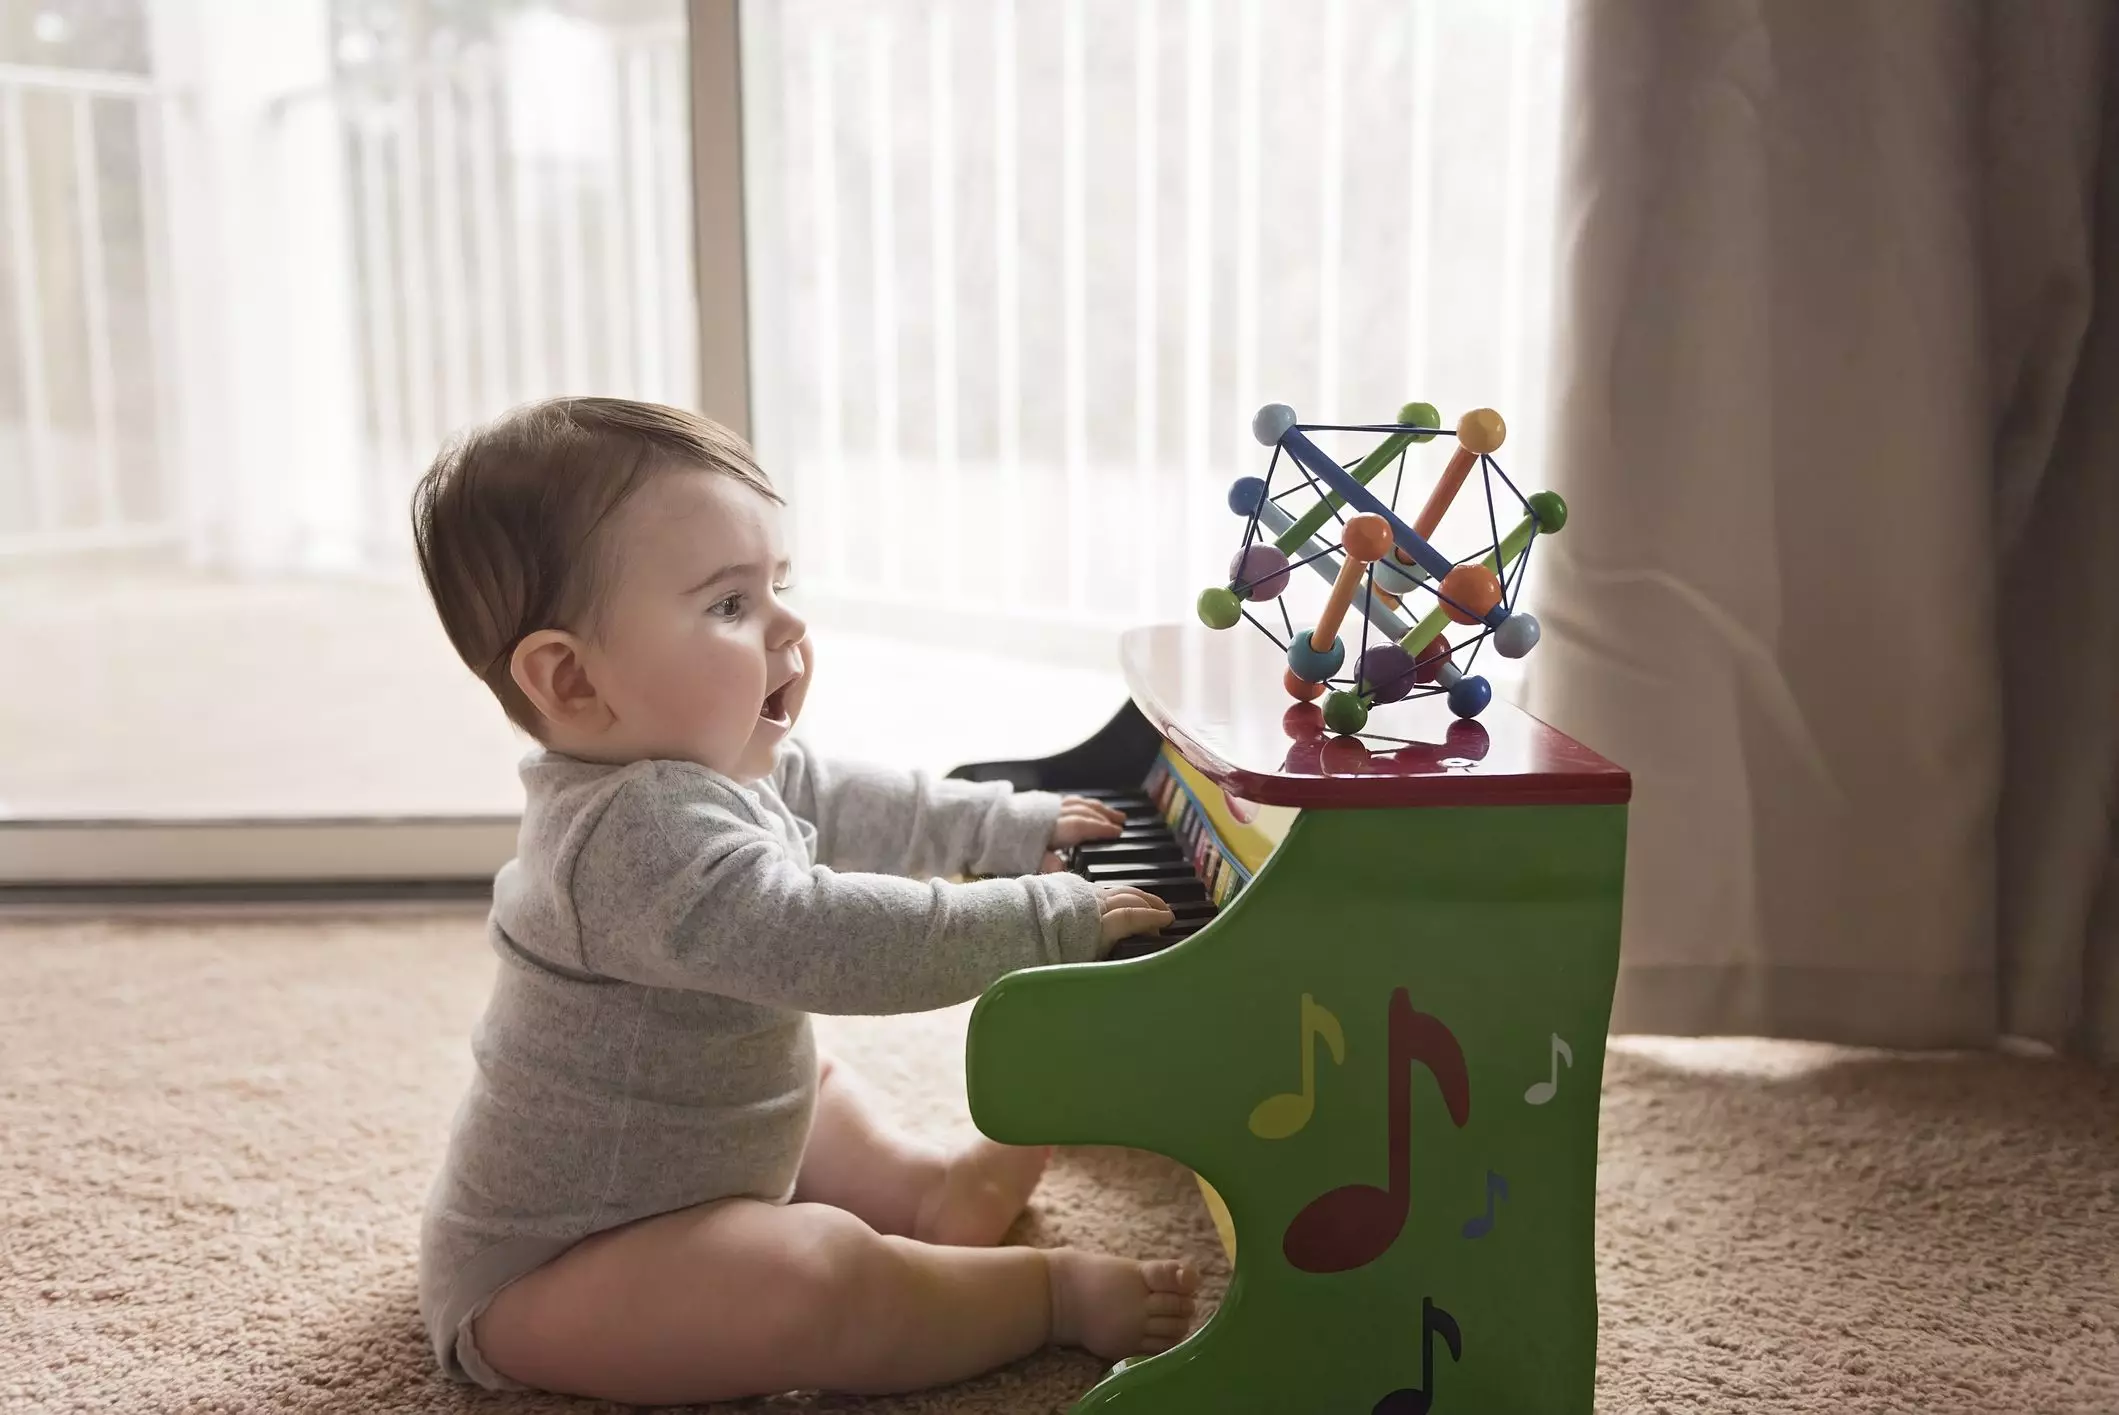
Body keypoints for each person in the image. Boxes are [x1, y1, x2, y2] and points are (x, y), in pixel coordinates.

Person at [408, 397, 1196, 1404]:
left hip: (705, 1154)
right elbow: (822, 935)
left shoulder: (711, 761)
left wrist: (1004, 824)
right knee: (812, 1275)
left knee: (799, 1074)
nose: (788, 622)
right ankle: (1039, 1296)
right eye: (729, 604)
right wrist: (1035, 918)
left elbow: (842, 792)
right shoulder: (625, 840)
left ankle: (930, 1195)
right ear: (570, 677)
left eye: (776, 583)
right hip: (555, 1270)